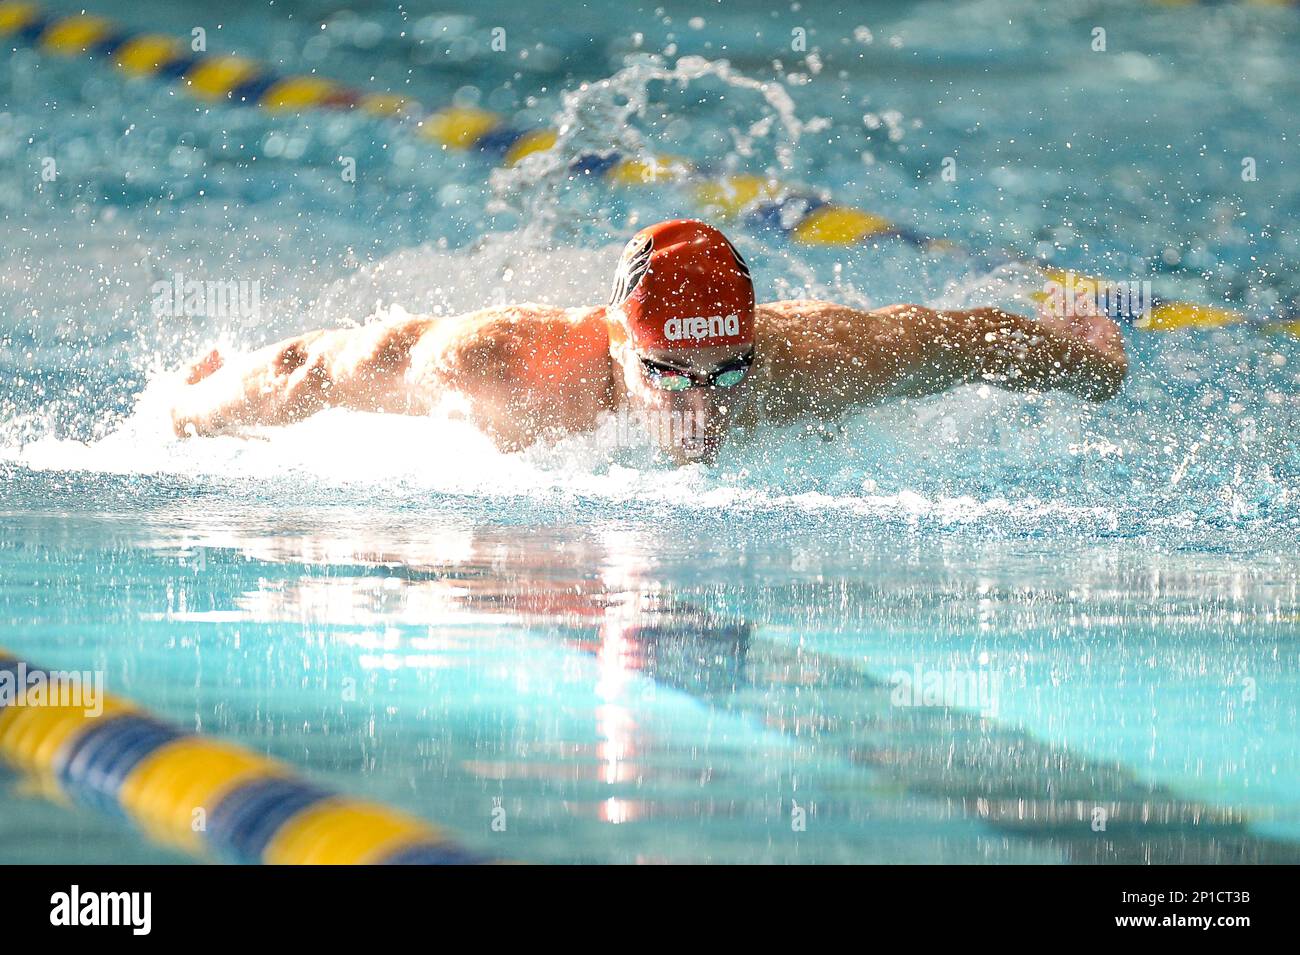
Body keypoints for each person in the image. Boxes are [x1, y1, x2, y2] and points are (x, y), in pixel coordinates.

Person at [170, 219, 1127, 464]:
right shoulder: (505, 365)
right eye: (669, 372)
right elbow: (317, 367)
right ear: (623, 352)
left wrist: (1095, 368)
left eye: (727, 371)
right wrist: (188, 411)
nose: (701, 407)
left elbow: (967, 341)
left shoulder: (815, 361)